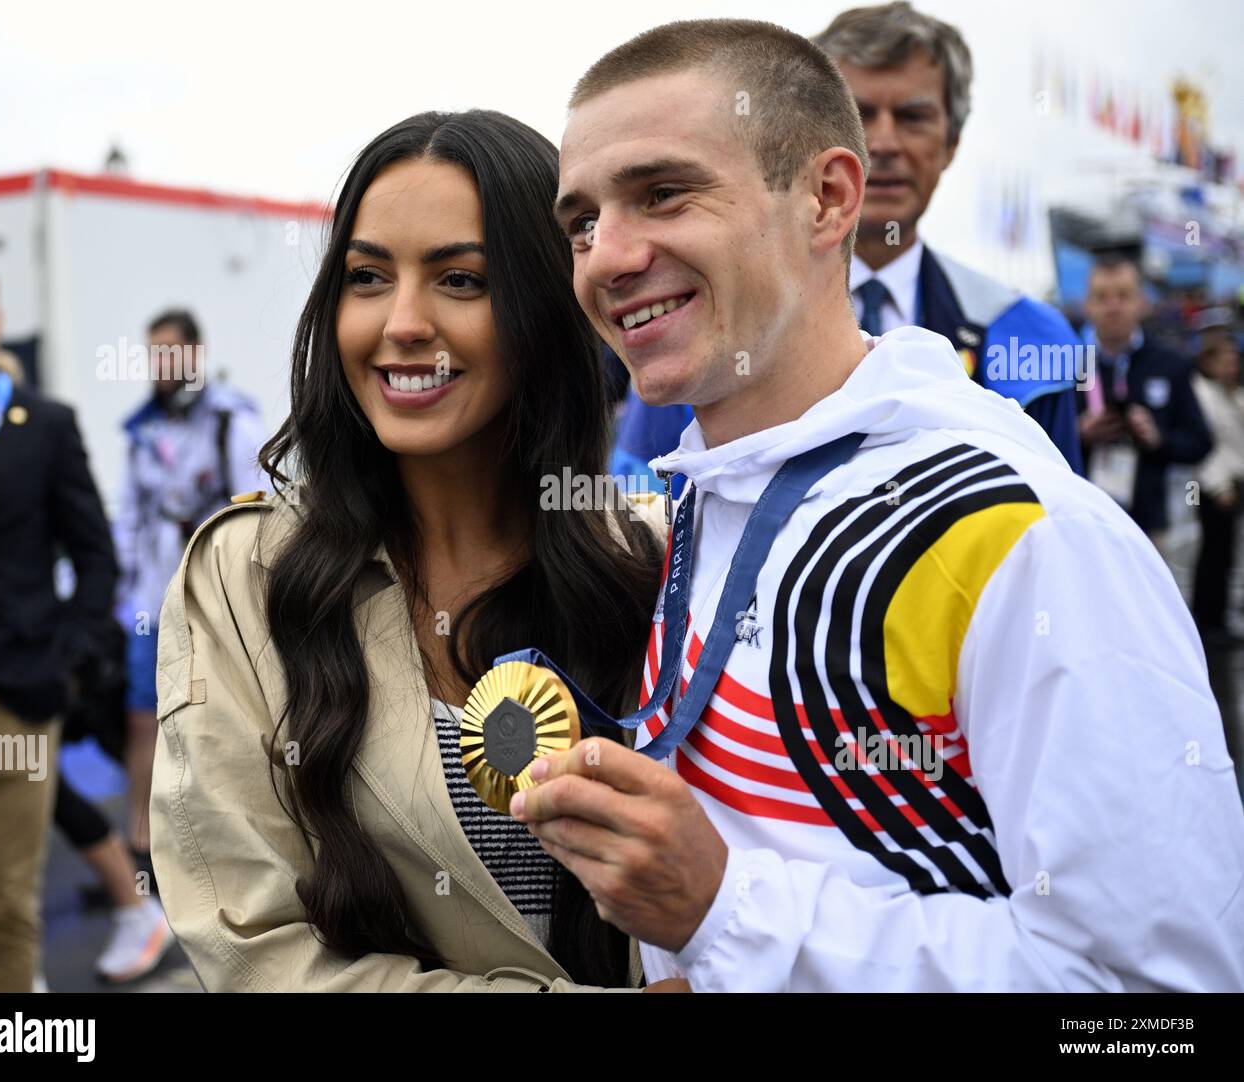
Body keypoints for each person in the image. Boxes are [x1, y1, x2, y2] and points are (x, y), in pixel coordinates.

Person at [513, 17, 1244, 992]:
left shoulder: (1032, 540)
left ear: (827, 199)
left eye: (663, 193)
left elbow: (1152, 995)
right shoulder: (705, 486)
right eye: (583, 222)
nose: (606, 257)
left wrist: (725, 907)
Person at [149, 110, 670, 991]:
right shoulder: (242, 579)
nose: (402, 323)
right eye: (366, 277)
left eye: (460, 280)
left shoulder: (656, 560)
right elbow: (253, 950)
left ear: (545, 303)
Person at [609, 2, 1084, 489]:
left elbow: (1059, 527)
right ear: (801, 139)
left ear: (953, 142)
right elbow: (642, 518)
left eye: (913, 117)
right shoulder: (700, 322)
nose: (882, 142)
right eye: (859, 115)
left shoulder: (1028, 337)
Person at [0, 251, 118, 992]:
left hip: (20, 688)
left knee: (9, 900)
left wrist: (70, 656)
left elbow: (95, 554)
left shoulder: (45, 425)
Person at [112, 308, 265, 881]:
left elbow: (257, 512)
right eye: (153, 354)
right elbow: (129, 515)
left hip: (212, 598)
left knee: (214, 716)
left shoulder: (231, 421)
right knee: (141, 717)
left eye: (170, 353)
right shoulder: (142, 431)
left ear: (194, 355)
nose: (161, 366)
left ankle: (221, 842)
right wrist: (121, 596)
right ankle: (140, 840)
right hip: (151, 601)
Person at [1077, 254, 1212, 539]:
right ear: (1087, 305)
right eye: (1102, 297)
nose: (1113, 307)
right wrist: (1080, 433)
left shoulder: (1171, 363)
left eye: (1123, 296)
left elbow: (1200, 442)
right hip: (1083, 523)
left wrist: (1157, 438)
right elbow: (1041, 443)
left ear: (1142, 302)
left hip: (1150, 526)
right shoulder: (1069, 367)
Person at [1190, 337, 1244, 643]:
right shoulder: (1202, 395)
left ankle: (1217, 616)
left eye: (1234, 361)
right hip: (1208, 486)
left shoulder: (1228, 393)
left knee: (1223, 552)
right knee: (1211, 551)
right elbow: (1207, 449)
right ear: (1209, 363)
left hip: (1231, 484)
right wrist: (1219, 486)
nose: (1232, 366)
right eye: (1225, 361)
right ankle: (1209, 620)